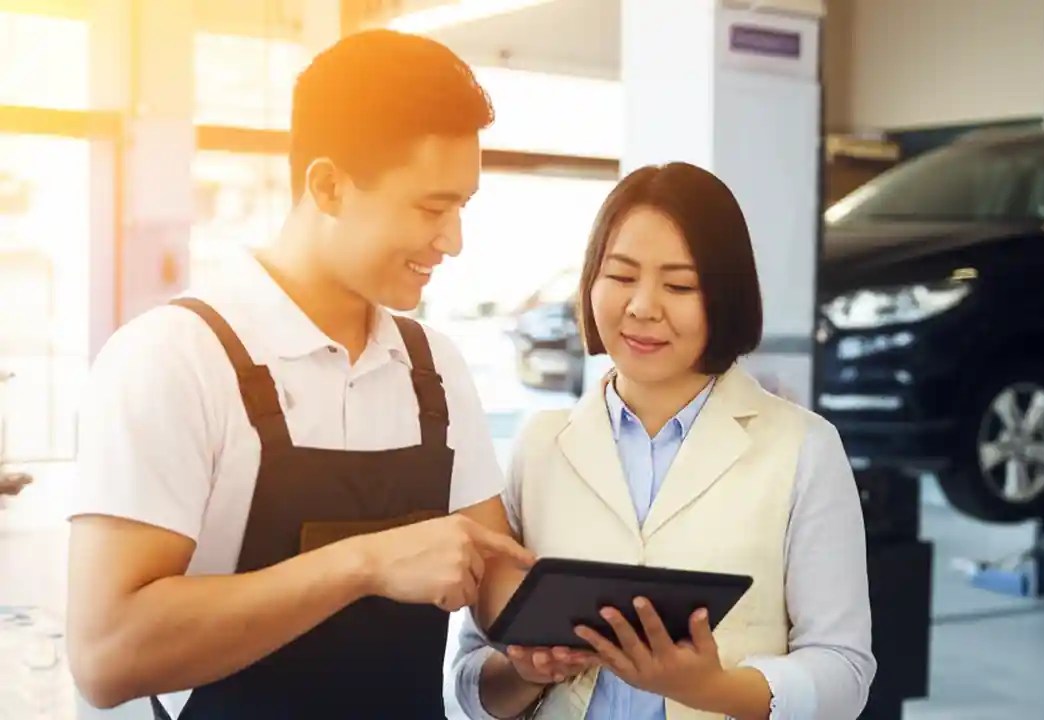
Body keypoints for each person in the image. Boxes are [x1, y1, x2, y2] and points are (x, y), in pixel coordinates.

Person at [66, 30, 533, 719]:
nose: (453, 241)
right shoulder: (173, 359)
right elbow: (105, 656)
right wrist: (364, 565)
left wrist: (564, 628)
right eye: (432, 208)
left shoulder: (434, 367)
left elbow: (492, 579)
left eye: (462, 206)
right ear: (328, 185)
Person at [450, 163, 876, 719]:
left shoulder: (803, 447)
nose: (642, 306)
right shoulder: (541, 445)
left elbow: (844, 670)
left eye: (679, 285)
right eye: (621, 277)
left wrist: (712, 688)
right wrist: (526, 673)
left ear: (724, 295)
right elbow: (468, 681)